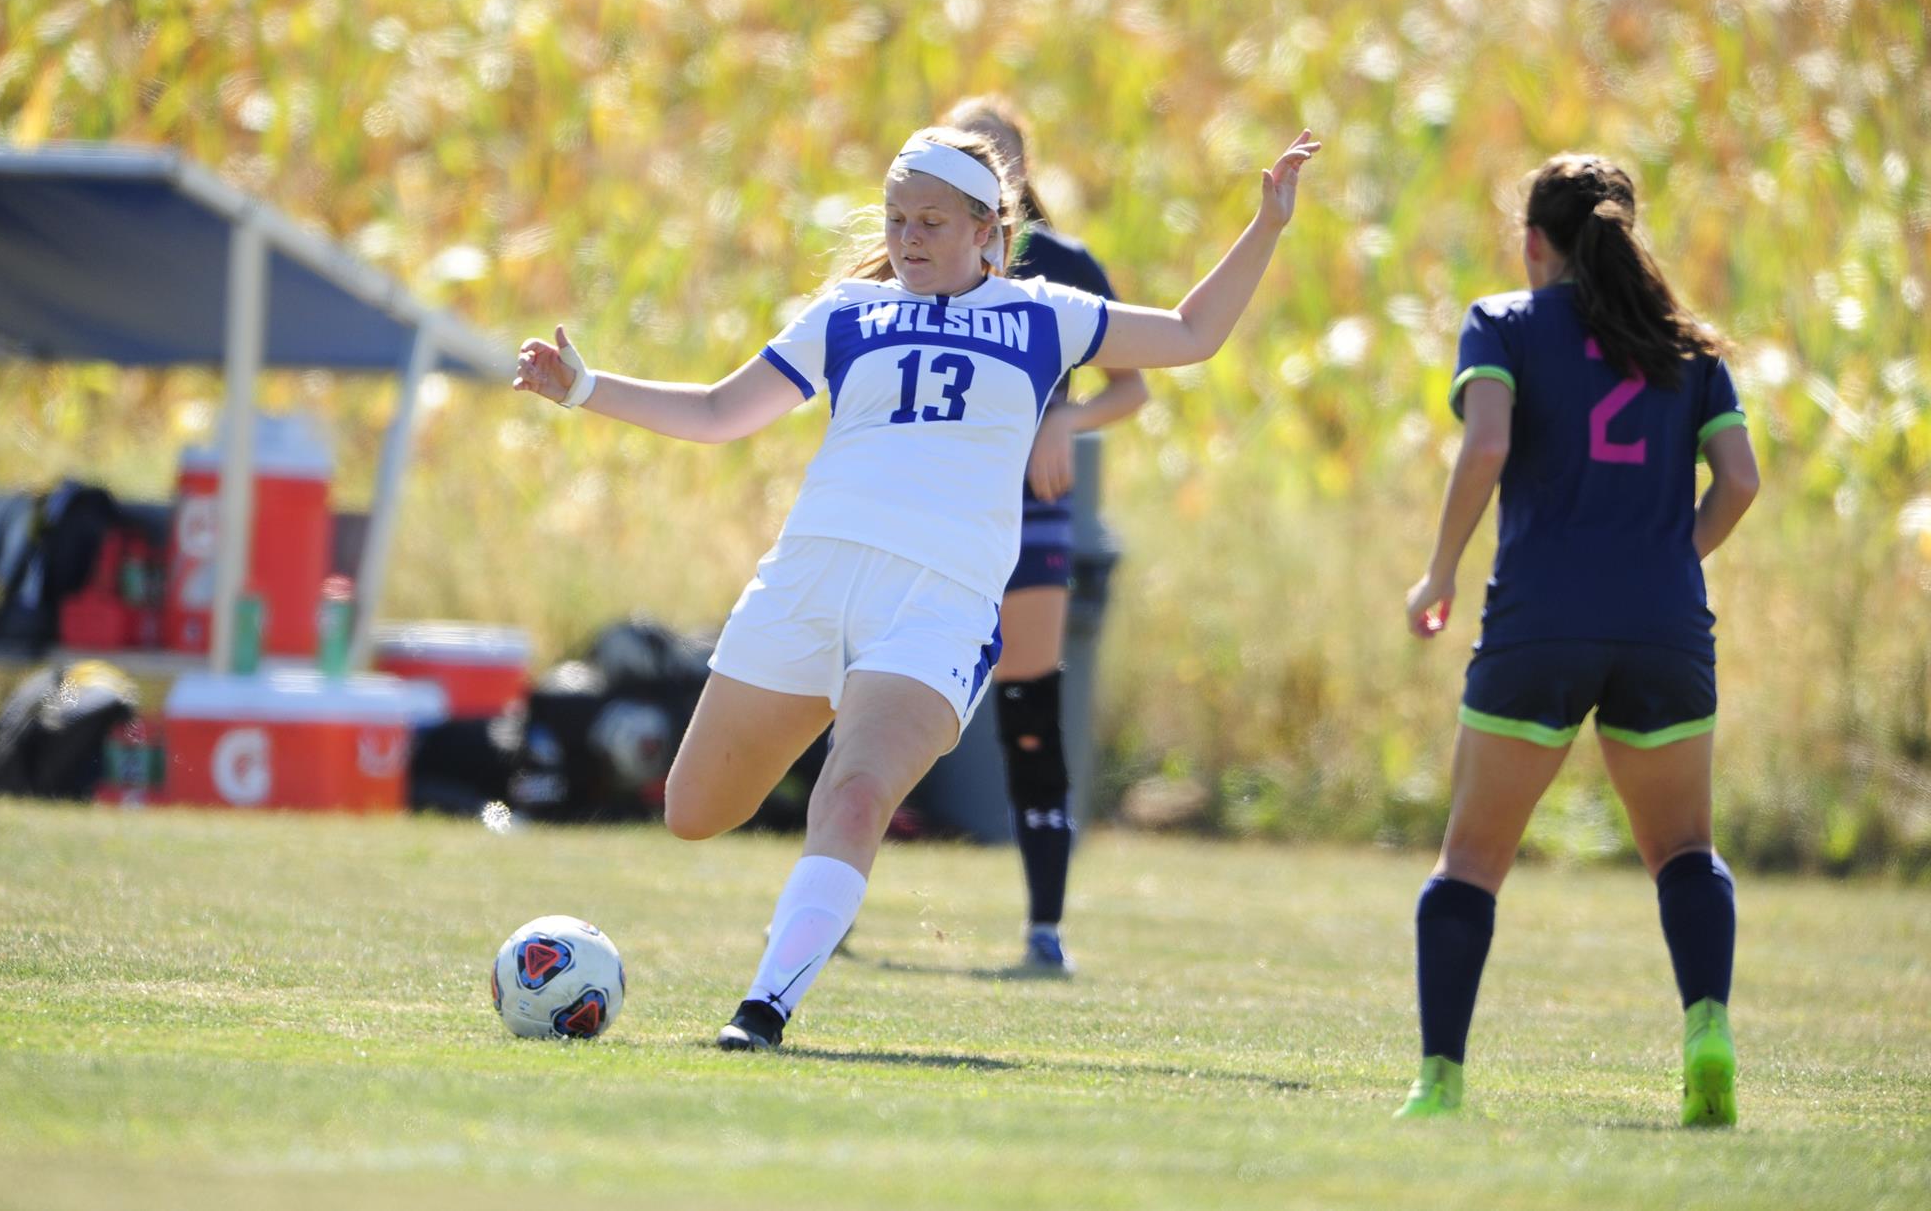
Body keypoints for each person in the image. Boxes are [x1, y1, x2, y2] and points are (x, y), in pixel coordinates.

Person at [515, 124, 1320, 1050]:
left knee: (855, 798)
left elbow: (1191, 333)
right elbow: (718, 411)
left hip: (935, 605)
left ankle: (763, 1009)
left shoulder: (1040, 313)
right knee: (694, 811)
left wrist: (1266, 224)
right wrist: (584, 388)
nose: (909, 238)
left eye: (933, 221)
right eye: (898, 219)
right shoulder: (844, 313)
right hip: (808, 583)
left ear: (990, 230)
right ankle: (835, 723)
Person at [1396, 154, 1759, 1124]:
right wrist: (1665, 557)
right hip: (1663, 624)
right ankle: (1707, 1032)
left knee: (1469, 862)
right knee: (1682, 848)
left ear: (1531, 242)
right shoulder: (1686, 344)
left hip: (1537, 621)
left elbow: (1483, 445)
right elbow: (1740, 481)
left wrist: (1437, 574)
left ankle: (1438, 1081)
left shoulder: (1503, 324)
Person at [941, 94, 1147, 975]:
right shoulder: (918, 256)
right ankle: (825, 910)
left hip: (1030, 518)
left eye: (994, 154)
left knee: (1028, 715)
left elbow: (1132, 387)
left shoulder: (1060, 265)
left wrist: (1067, 420)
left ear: (1018, 173)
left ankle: (1044, 930)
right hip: (935, 515)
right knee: (873, 698)